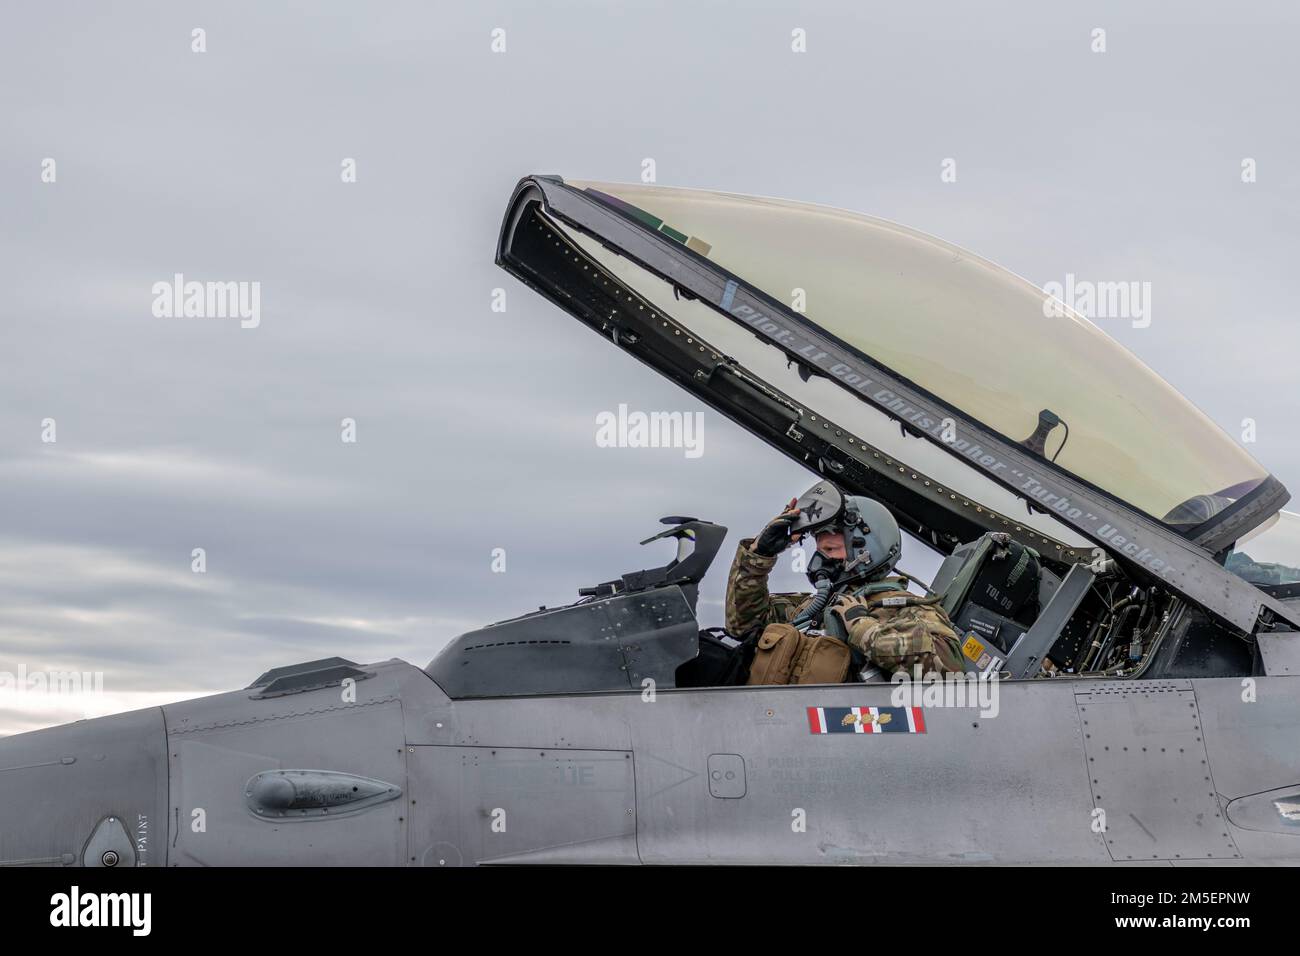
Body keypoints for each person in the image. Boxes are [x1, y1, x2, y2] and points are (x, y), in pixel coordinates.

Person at [725, 481, 964, 680]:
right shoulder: (814, 608)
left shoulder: (905, 608)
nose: (820, 560)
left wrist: (861, 627)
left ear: (866, 551)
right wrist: (759, 554)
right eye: (819, 550)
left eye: (831, 549)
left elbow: (949, 670)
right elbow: (743, 625)